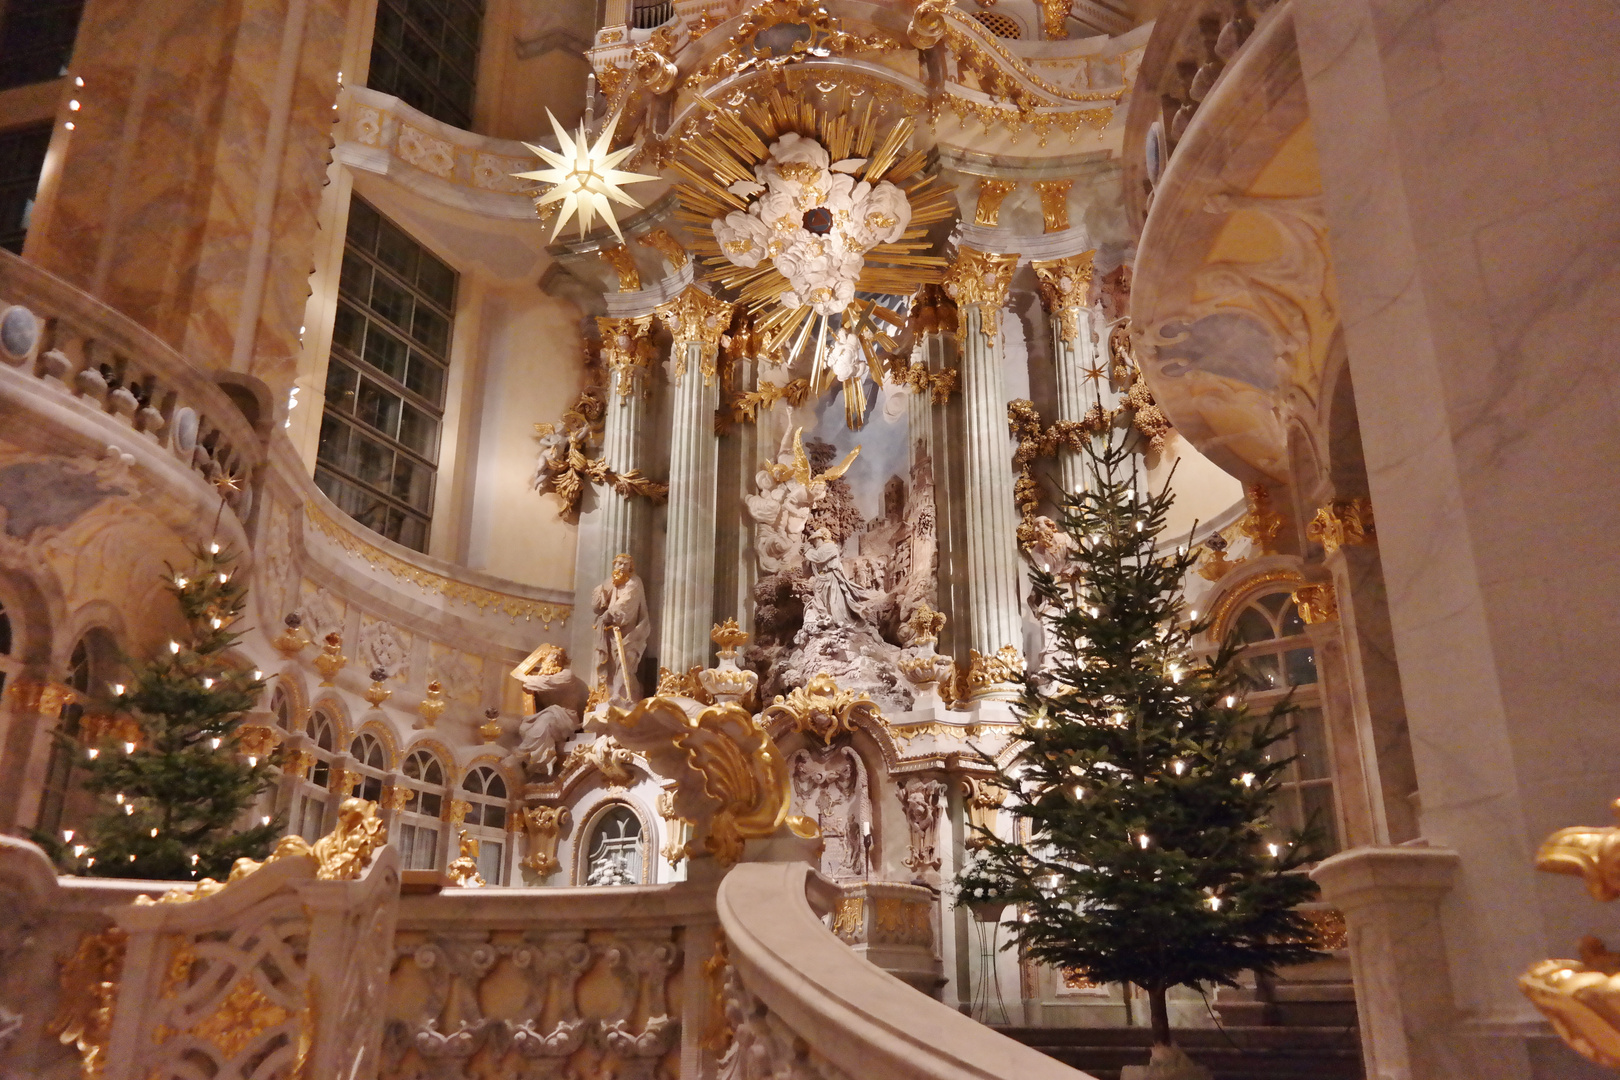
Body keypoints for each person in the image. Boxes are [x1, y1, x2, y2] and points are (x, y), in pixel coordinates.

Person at [592, 553, 650, 706]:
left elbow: (627, 603)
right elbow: (596, 605)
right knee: (612, 664)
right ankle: (610, 693)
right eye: (619, 564)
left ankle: (619, 694)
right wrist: (602, 592)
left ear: (631, 567)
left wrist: (610, 613)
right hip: (611, 632)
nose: (622, 567)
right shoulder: (611, 582)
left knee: (626, 660)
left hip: (631, 633)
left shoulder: (635, 582)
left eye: (625, 564)